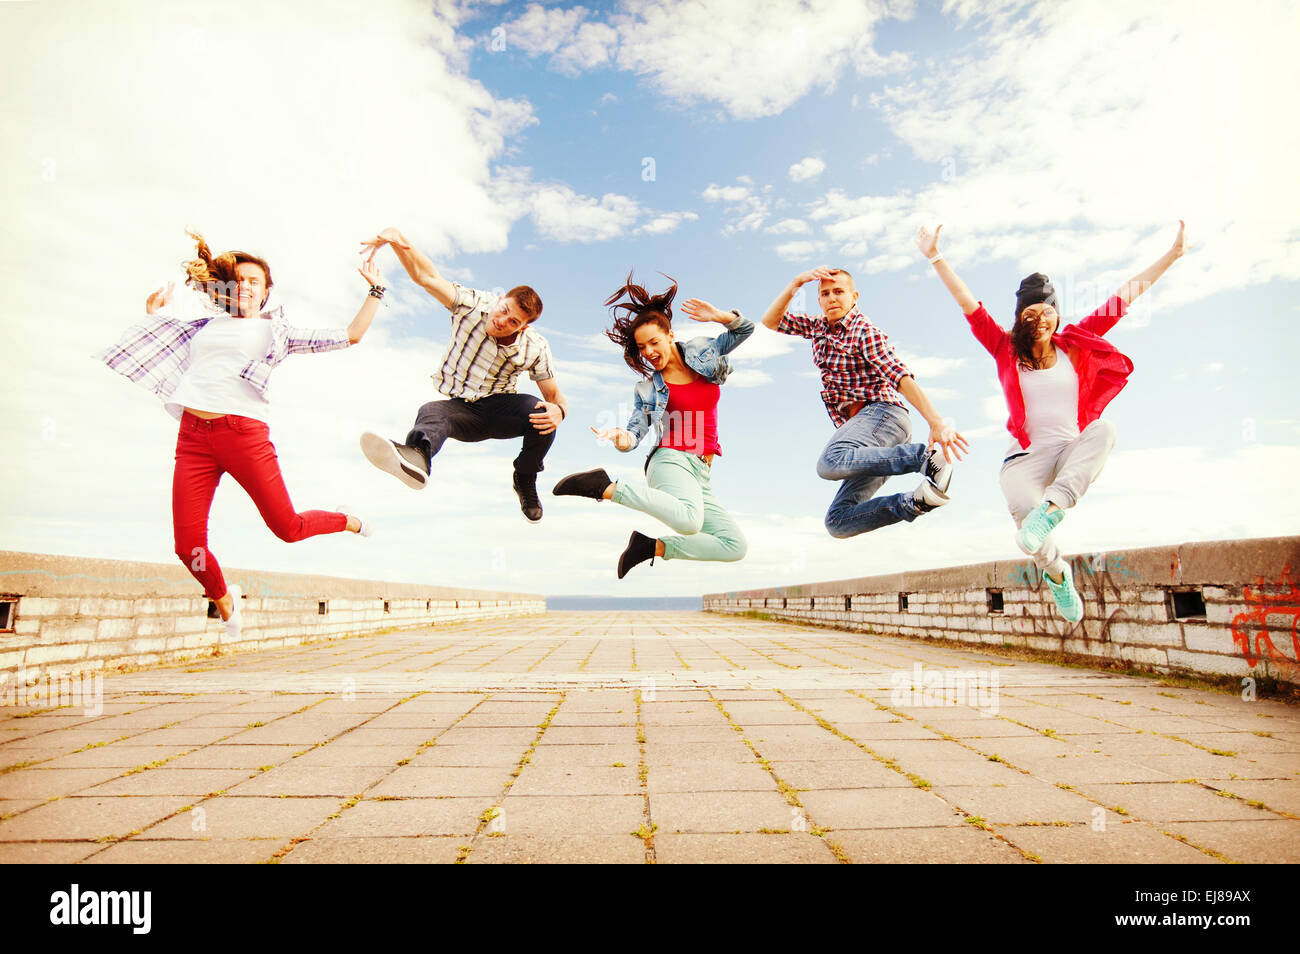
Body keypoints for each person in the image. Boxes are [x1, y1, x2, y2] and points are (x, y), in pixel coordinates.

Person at [97, 230, 382, 638]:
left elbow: (350, 335)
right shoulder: (201, 327)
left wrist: (376, 289)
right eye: (239, 279)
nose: (246, 286)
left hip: (244, 435)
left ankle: (346, 521)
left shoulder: (277, 333)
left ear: (266, 292)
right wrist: (152, 314)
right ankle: (222, 596)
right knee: (186, 545)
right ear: (226, 287)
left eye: (255, 281)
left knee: (288, 528)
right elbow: (163, 346)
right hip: (193, 438)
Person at [915, 220, 1187, 621]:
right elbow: (968, 303)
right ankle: (1059, 575)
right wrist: (935, 256)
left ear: (1056, 315)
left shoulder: (1075, 341)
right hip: (1024, 459)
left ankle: (1056, 506)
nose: (1040, 319)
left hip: (1069, 451)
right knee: (1028, 532)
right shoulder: (1004, 347)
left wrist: (1172, 255)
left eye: (1046, 311)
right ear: (1019, 317)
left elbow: (1123, 296)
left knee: (1105, 430)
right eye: (1030, 312)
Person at [357, 228, 568, 523]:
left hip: (500, 409)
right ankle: (417, 456)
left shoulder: (534, 346)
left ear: (523, 327)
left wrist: (559, 412)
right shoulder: (471, 304)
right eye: (503, 309)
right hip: (462, 411)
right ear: (499, 299)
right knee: (430, 411)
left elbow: (555, 397)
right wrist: (399, 243)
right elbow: (426, 277)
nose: (502, 320)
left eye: (513, 321)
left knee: (541, 412)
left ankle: (525, 476)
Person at [552, 275, 751, 578]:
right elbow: (635, 434)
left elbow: (744, 329)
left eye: (653, 342)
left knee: (734, 545)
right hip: (670, 461)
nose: (647, 351)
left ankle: (651, 548)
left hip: (701, 470)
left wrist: (720, 317)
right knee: (689, 522)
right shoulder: (649, 389)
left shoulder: (703, 353)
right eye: (642, 346)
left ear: (670, 336)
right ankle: (604, 487)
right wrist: (621, 438)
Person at [761, 266, 968, 539]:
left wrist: (936, 422)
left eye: (839, 292)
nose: (832, 298)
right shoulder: (818, 327)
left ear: (854, 296)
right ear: (819, 300)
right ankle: (914, 502)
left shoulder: (863, 330)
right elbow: (771, 321)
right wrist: (796, 282)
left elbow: (900, 376)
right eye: (825, 294)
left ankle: (924, 458)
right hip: (872, 442)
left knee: (830, 462)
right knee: (838, 521)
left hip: (885, 415)